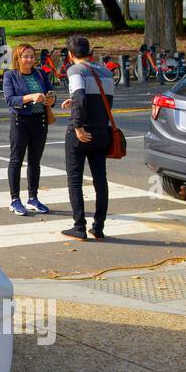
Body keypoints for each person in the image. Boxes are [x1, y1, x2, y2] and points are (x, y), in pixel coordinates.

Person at [62, 34, 115, 240]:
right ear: (89, 51)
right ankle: (98, 227)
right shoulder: (106, 72)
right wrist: (74, 102)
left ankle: (79, 227)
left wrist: (77, 126)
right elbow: (102, 101)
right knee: (100, 180)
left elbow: (80, 97)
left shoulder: (75, 70)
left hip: (81, 133)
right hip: (102, 132)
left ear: (69, 54)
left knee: (74, 179)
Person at [3, 43, 56, 215]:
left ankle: (33, 197)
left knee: (35, 161)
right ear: (17, 58)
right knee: (16, 160)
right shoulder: (10, 76)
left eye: (32, 56)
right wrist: (31, 97)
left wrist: (50, 99)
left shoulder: (40, 73)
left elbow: (51, 93)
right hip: (21, 121)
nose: (29, 60)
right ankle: (15, 199)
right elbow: (10, 100)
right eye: (25, 56)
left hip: (39, 121)